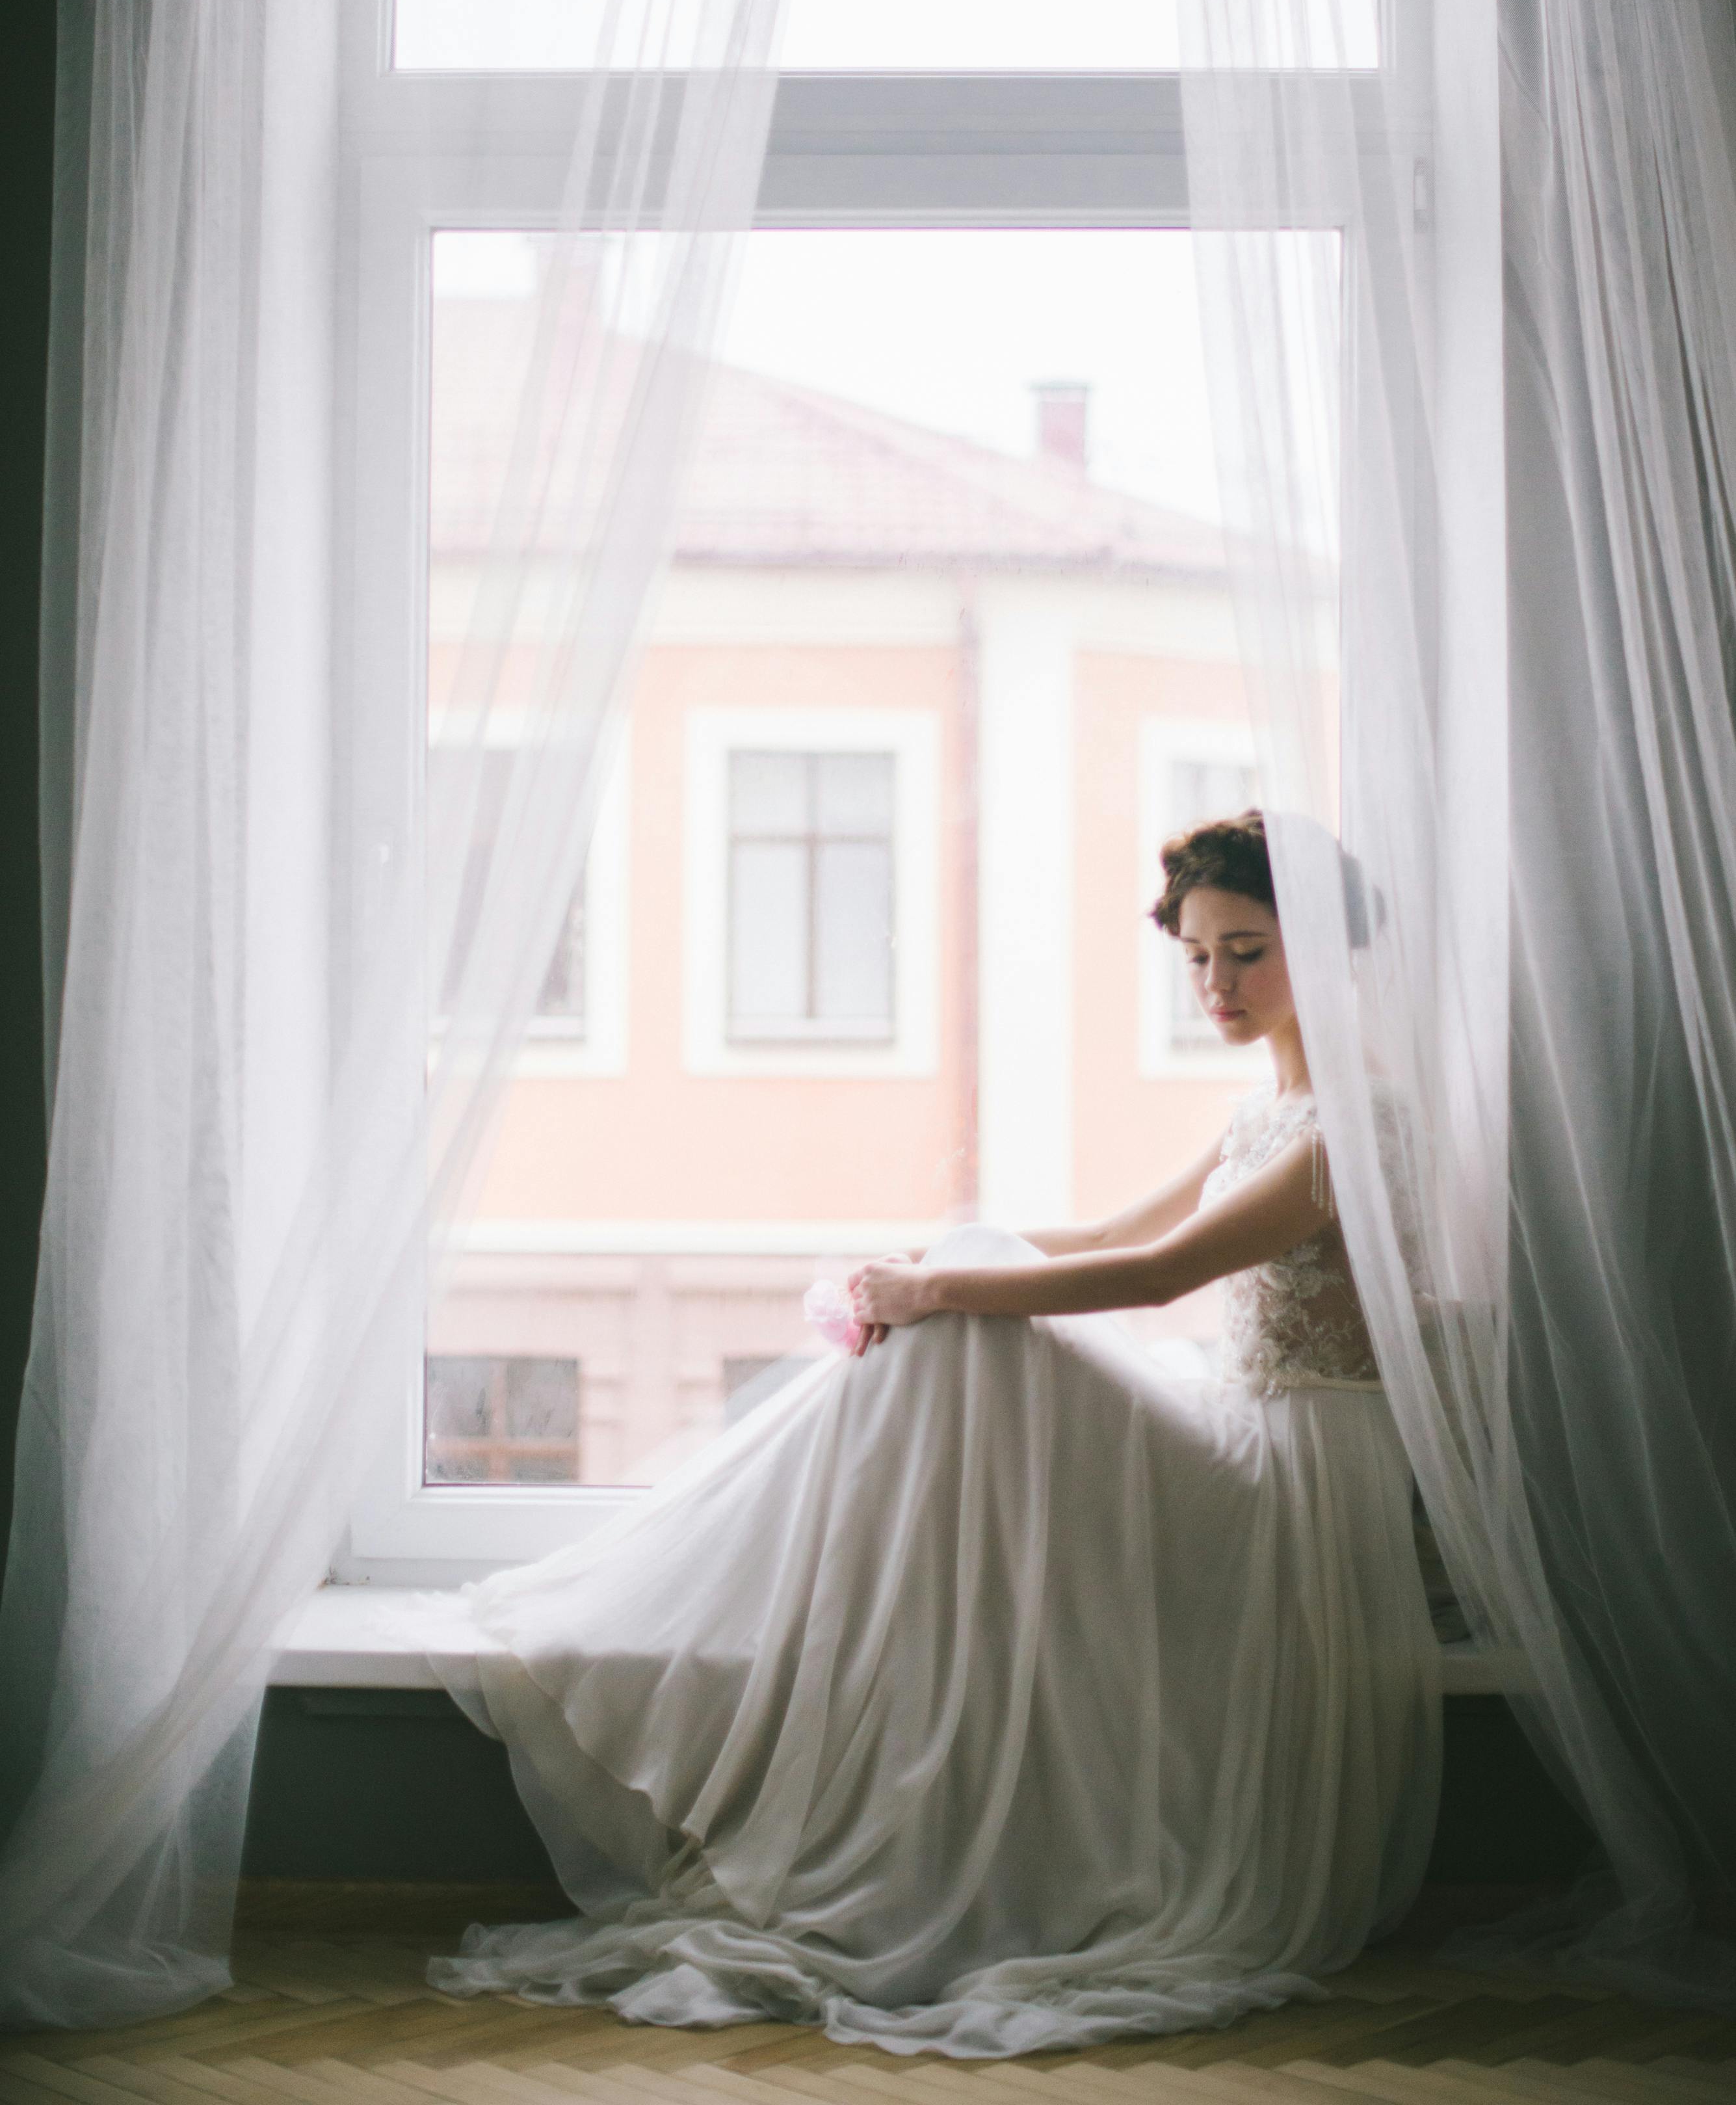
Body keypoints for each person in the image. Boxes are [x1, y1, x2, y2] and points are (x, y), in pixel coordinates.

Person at [427, 810, 1441, 2058]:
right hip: (1243, 1434)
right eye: (1194, 957)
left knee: (961, 1308)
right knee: (964, 1265)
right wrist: (924, 1257)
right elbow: (1110, 1233)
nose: (1214, 985)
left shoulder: (1358, 1126)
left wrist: (941, 1291)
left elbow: (1155, 1279)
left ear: (1325, 955)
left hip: (1298, 1489)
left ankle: (745, 1578)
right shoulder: (1262, 1115)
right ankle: (785, 1584)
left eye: (1245, 952)